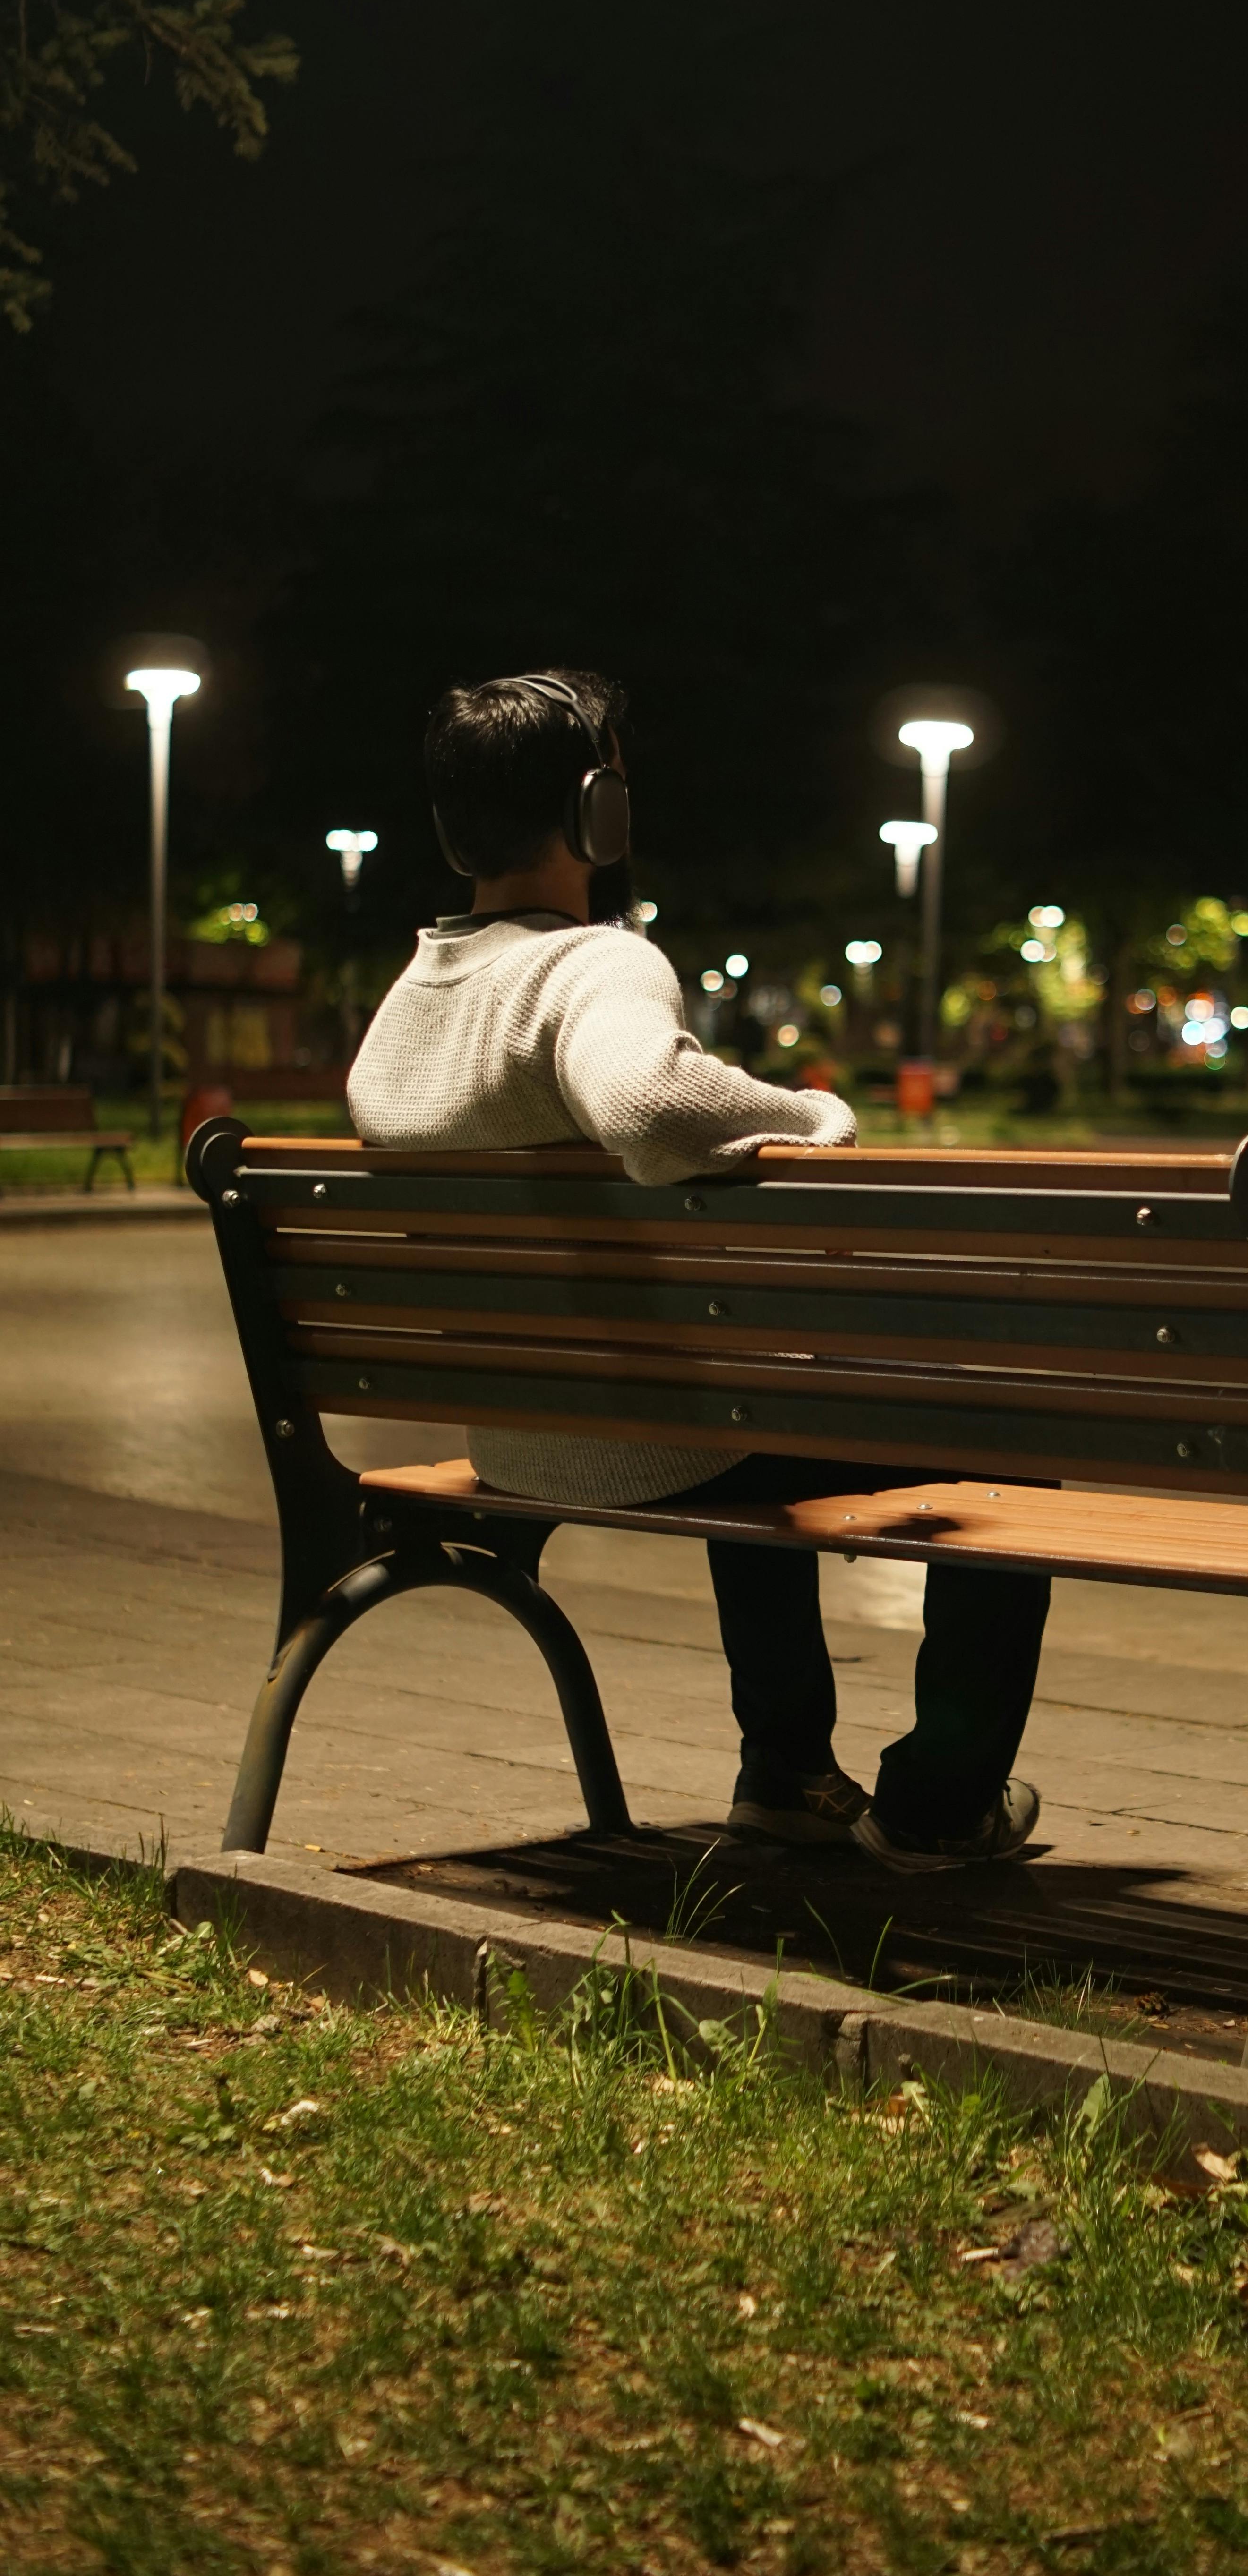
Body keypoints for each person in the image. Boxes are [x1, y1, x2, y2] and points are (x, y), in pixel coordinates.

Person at [346, 668, 1048, 1870]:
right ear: (597, 813)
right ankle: (940, 1800)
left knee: (737, 1399)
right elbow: (645, 1103)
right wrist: (813, 1112)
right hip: (647, 1443)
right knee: (1003, 1445)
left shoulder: (415, 995)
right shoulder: (592, 968)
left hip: (520, 1436)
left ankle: (784, 1770)